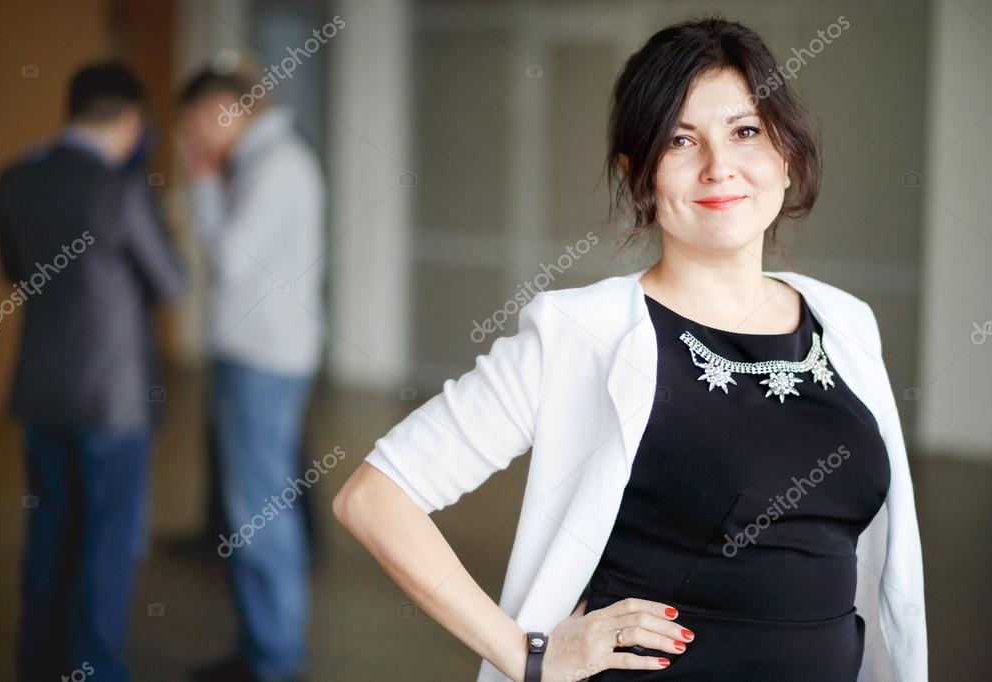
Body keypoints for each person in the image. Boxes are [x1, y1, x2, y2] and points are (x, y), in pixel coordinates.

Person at [332, 15, 927, 682]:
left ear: (783, 155)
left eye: (744, 131)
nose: (717, 166)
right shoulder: (580, 332)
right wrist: (527, 655)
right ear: (638, 176)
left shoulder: (844, 321)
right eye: (680, 140)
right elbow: (374, 498)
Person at [0, 61, 186, 682]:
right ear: (131, 120)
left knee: (49, 528)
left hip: (41, 388)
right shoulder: (124, 188)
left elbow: (13, 269)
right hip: (115, 397)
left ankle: (38, 662)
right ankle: (94, 668)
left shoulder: (16, 178)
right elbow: (173, 281)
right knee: (106, 541)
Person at [176, 65, 327, 682]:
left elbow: (232, 263)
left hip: (264, 362)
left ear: (223, 110)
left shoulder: (277, 167)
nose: (192, 141)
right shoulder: (271, 162)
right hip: (259, 357)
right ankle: (260, 651)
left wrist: (204, 185)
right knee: (253, 513)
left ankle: (275, 662)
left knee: (261, 514)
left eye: (193, 127)